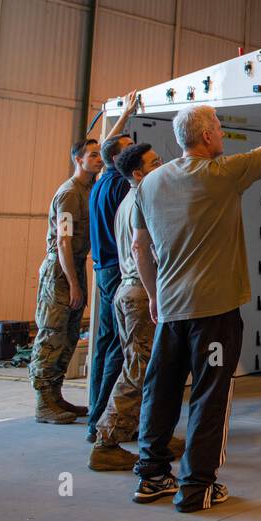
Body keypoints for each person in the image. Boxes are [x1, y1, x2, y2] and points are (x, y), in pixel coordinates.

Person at [129, 91, 261, 511]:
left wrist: (154, 297)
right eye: (220, 130)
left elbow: (139, 246)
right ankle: (197, 487)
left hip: (170, 309)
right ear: (206, 137)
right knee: (210, 396)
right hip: (214, 315)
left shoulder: (150, 184)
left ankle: (152, 476)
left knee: (162, 390)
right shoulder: (223, 173)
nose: (223, 135)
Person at [88, 142, 186, 471]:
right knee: (137, 370)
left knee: (150, 370)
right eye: (155, 162)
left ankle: (151, 434)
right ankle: (106, 441)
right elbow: (144, 250)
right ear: (138, 173)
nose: (163, 164)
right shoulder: (144, 199)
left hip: (130, 291)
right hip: (141, 294)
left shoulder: (128, 201)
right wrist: (157, 295)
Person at [29, 138, 104, 424]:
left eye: (100, 155)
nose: (99, 159)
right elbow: (63, 241)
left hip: (74, 267)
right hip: (60, 271)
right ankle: (43, 402)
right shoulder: (69, 193)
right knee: (52, 335)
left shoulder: (88, 189)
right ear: (78, 160)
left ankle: (55, 395)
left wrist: (123, 115)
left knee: (69, 335)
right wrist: (73, 283)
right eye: (93, 155)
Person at [85, 91, 142, 443]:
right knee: (118, 351)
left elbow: (108, 145)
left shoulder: (102, 180)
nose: (138, 151)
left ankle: (96, 416)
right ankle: (104, 422)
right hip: (117, 272)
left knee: (105, 344)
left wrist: (125, 113)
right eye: (131, 148)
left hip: (103, 270)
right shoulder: (121, 184)